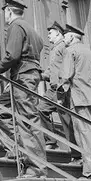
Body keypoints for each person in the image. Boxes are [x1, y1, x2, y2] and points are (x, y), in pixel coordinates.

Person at [0, 0, 46, 178]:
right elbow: (40, 47)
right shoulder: (32, 30)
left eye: (5, 11)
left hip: (22, 77)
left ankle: (36, 167)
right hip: (28, 75)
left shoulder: (15, 26)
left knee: (27, 119)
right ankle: (18, 150)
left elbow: (12, 55)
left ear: (9, 11)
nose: (4, 15)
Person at [58, 24, 91, 180]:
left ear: (72, 37)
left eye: (65, 37)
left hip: (80, 98)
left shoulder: (70, 51)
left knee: (85, 134)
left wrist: (60, 97)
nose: (64, 39)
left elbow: (66, 76)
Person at [39, 21, 72, 150]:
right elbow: (51, 70)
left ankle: (76, 154)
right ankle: (51, 141)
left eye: (50, 33)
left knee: (66, 121)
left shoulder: (63, 46)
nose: (48, 36)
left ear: (58, 32)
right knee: (41, 109)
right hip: (52, 89)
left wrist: (64, 87)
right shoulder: (54, 49)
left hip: (61, 89)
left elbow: (67, 67)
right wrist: (40, 76)